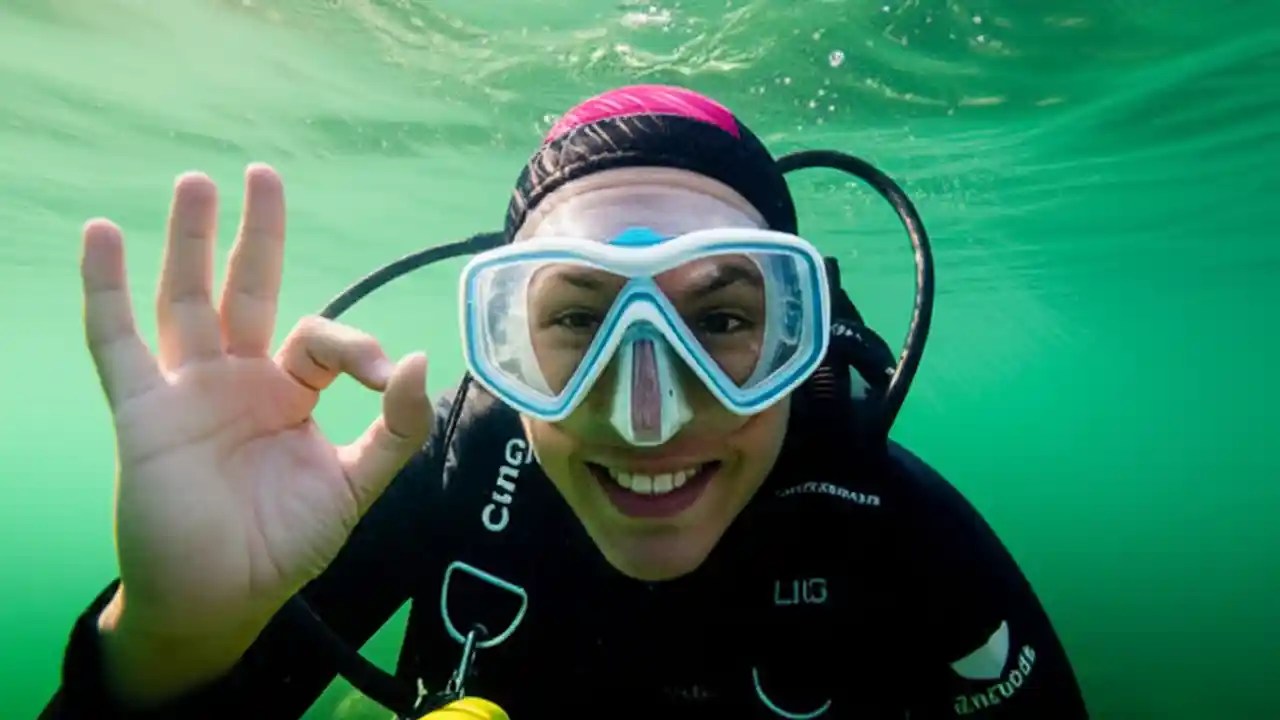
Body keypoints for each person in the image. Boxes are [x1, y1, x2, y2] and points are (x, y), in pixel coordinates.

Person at [41, 85, 1089, 719]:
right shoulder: (441, 479)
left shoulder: (886, 528)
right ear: (503, 339)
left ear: (800, 341)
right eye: (578, 324)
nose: (646, 416)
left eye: (720, 323)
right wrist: (165, 643)